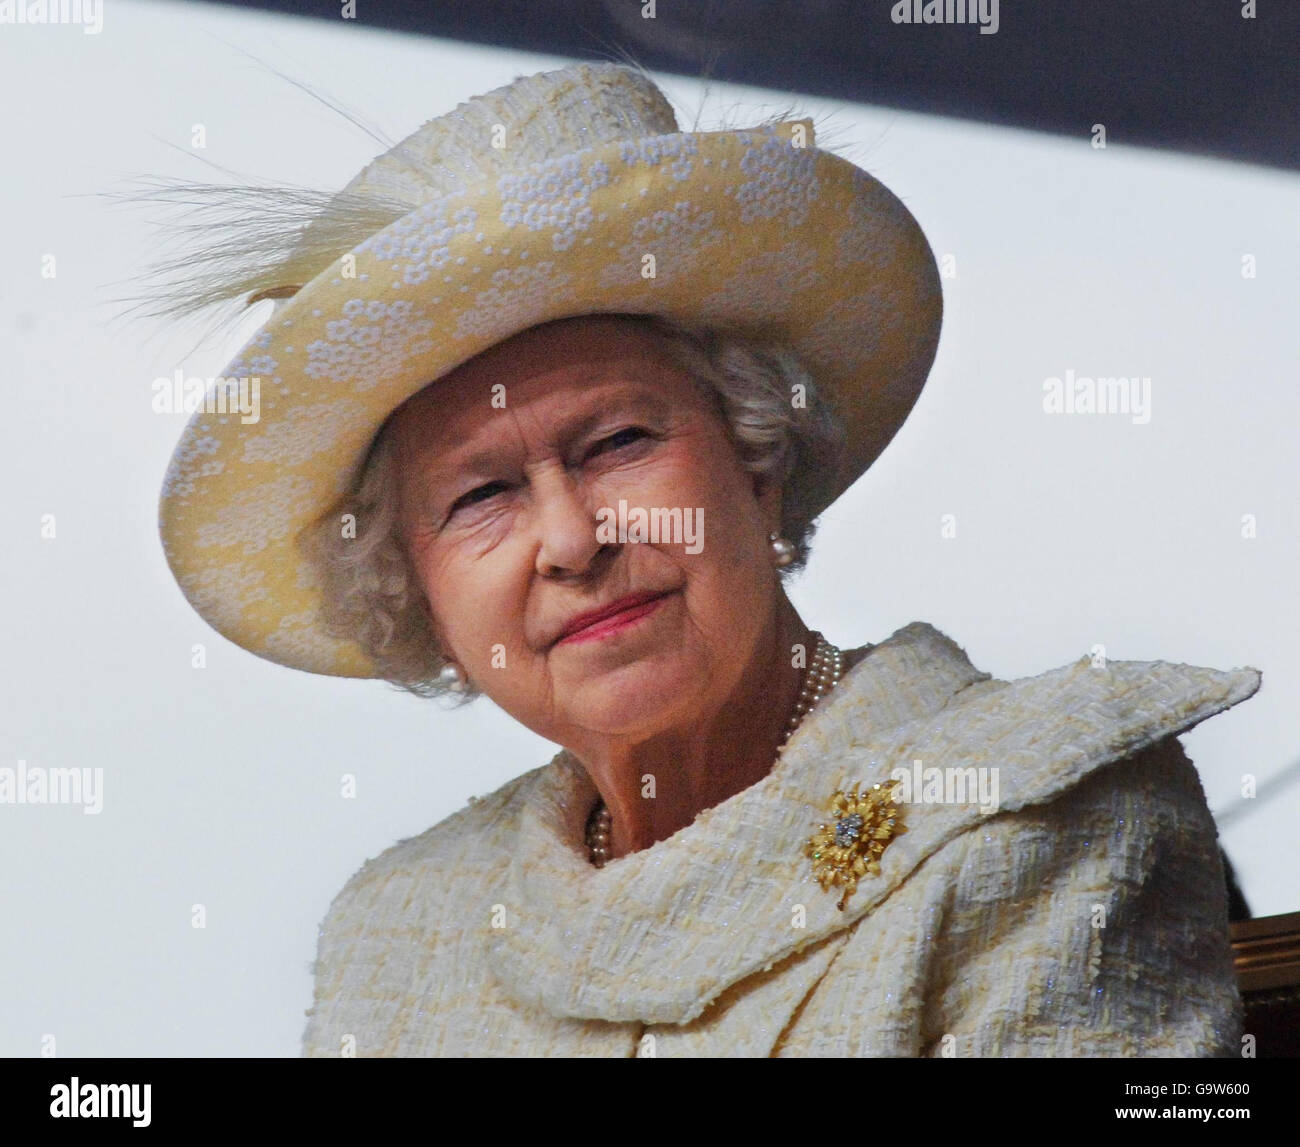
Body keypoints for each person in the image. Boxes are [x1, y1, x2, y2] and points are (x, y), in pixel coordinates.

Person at [154, 62, 1260, 1056]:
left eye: (619, 443)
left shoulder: (1037, 810)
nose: (575, 540)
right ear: (417, 594)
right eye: (481, 495)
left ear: (756, 455)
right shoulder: (394, 936)